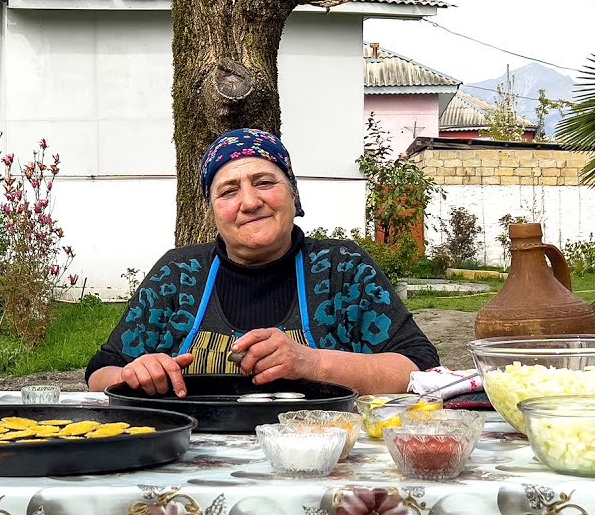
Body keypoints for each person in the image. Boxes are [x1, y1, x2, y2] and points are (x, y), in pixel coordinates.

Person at [86, 128, 438, 398]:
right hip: (192, 462)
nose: (250, 201)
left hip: (324, 459)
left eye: (265, 182)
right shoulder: (178, 274)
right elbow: (100, 373)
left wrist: (311, 362)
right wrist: (133, 373)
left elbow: (420, 368)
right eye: (228, 191)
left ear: (293, 194)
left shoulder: (341, 268)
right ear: (212, 212)